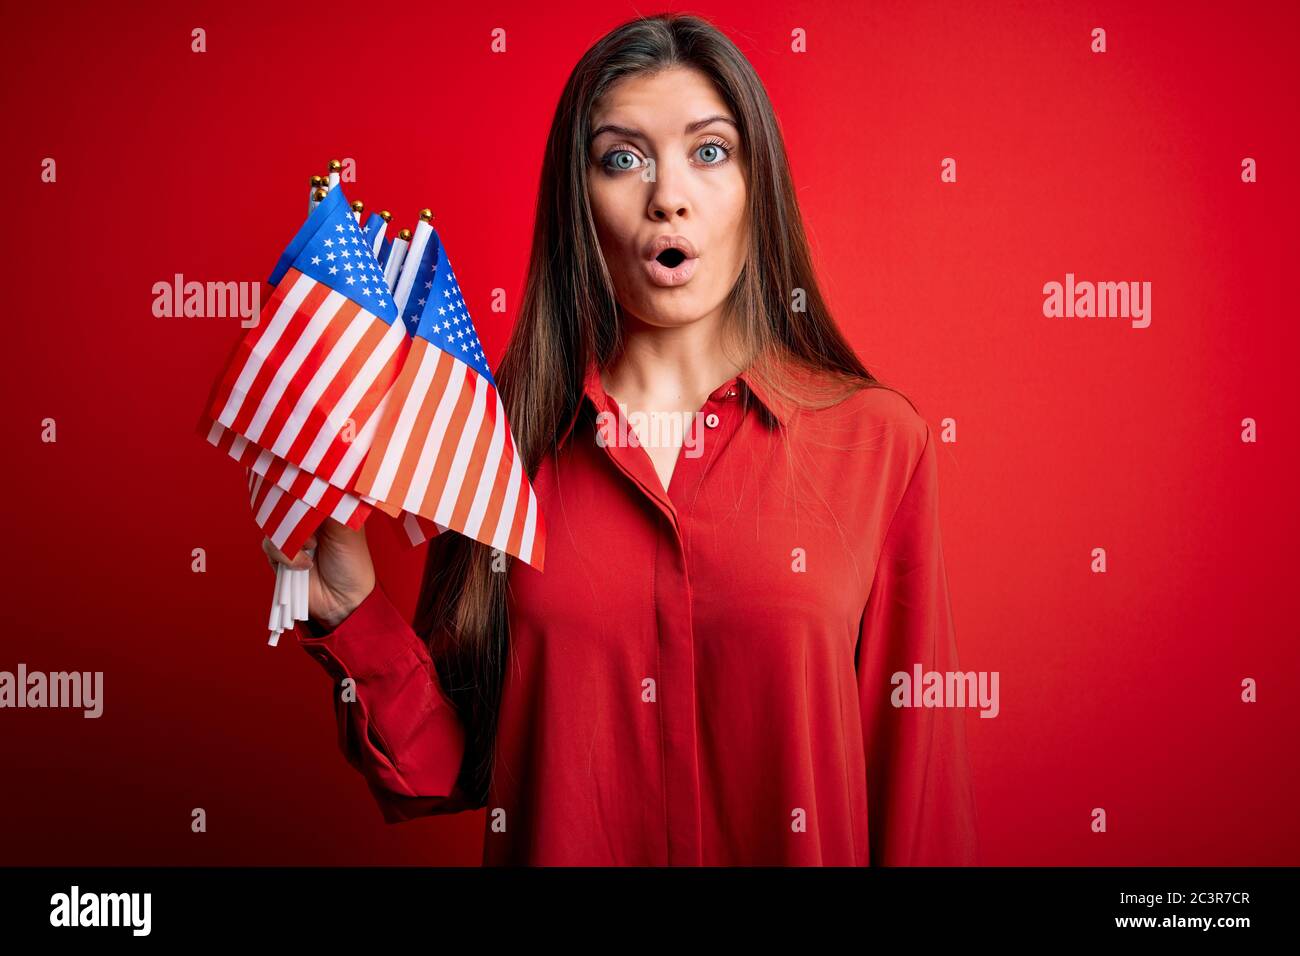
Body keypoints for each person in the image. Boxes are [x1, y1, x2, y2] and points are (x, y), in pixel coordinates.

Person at [265, 12, 979, 866]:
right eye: (622, 158)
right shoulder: (501, 445)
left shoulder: (875, 443)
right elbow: (448, 771)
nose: (667, 195)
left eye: (709, 152)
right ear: (581, 203)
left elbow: (913, 794)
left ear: (760, 187)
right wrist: (346, 601)